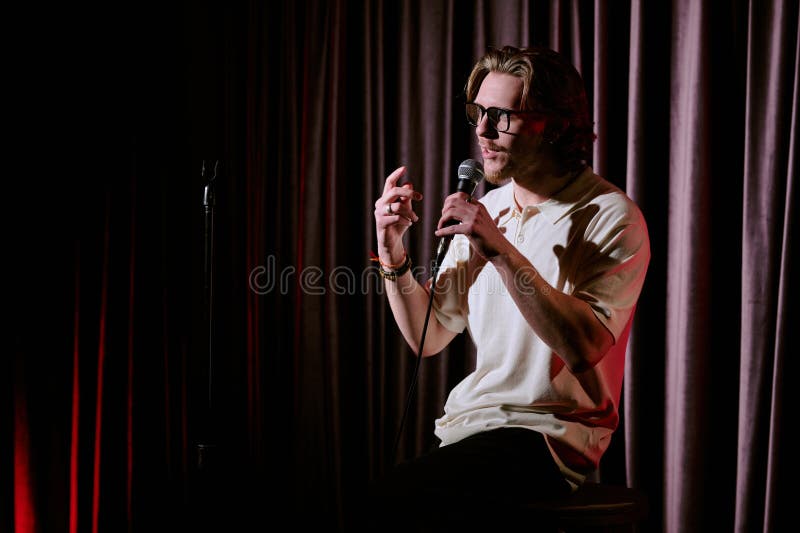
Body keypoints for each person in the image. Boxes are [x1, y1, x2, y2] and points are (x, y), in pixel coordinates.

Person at [369, 45, 650, 531]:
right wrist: (392, 253)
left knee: (399, 498)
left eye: (501, 115)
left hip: (547, 439)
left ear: (555, 125)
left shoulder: (610, 216)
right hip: (468, 429)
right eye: (478, 112)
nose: (482, 130)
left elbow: (583, 349)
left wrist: (500, 251)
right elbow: (428, 337)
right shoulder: (489, 209)